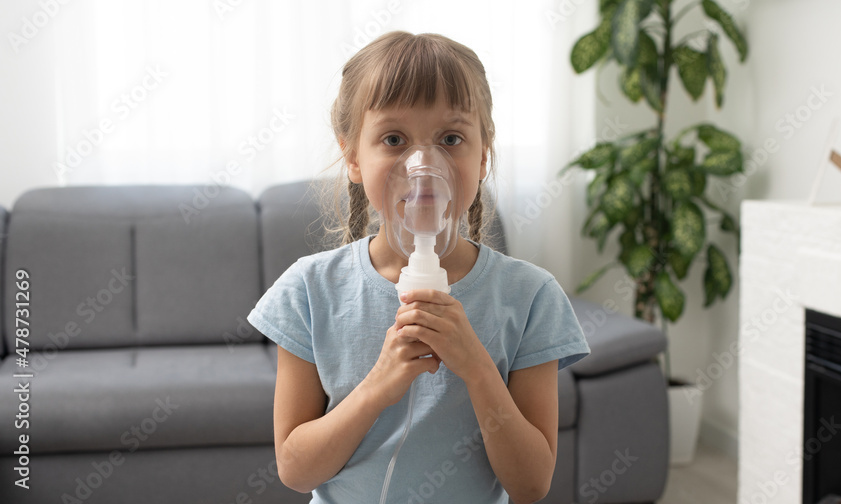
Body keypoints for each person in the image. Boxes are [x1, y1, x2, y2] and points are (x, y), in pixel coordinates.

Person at [247, 30, 590, 504]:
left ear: (483, 154)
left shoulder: (529, 297)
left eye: (451, 139)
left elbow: (531, 485)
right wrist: (378, 386)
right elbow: (296, 470)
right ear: (352, 156)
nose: (423, 165)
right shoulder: (310, 290)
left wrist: (476, 366)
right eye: (393, 139)